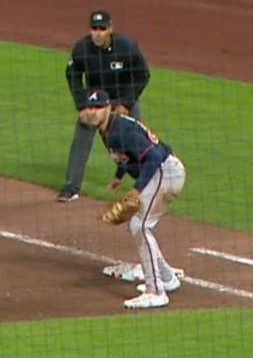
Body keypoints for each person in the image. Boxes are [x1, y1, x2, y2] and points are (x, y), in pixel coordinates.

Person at [77, 89, 187, 309]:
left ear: (108, 107)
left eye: (98, 107)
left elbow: (153, 157)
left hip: (166, 172)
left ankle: (156, 291)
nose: (93, 112)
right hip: (165, 172)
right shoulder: (108, 129)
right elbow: (128, 156)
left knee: (139, 225)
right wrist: (119, 176)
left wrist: (137, 190)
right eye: (89, 108)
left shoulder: (120, 130)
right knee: (140, 225)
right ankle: (166, 278)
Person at [58, 9, 151, 202]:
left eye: (102, 28)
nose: (97, 33)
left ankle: (148, 184)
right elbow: (73, 75)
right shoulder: (82, 48)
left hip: (123, 99)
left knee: (136, 144)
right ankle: (71, 186)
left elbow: (143, 75)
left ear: (110, 29)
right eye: (94, 28)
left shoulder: (126, 46)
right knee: (81, 140)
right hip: (96, 103)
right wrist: (81, 104)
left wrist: (126, 102)